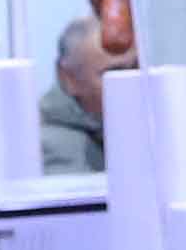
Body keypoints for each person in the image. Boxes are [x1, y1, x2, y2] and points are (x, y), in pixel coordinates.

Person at [42, 16, 124, 171]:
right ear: (68, 78)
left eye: (135, 67)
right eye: (113, 74)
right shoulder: (54, 149)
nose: (128, 85)